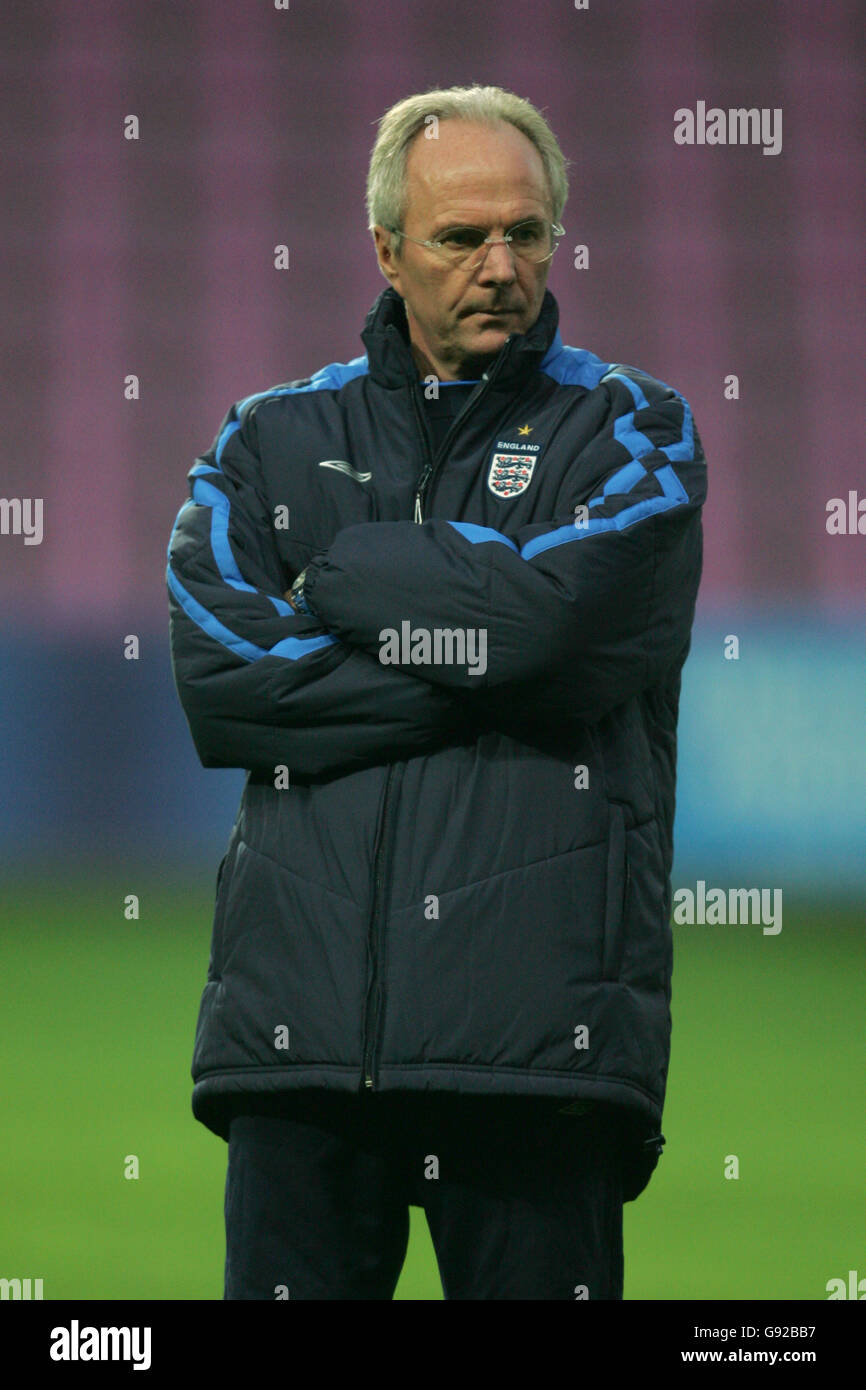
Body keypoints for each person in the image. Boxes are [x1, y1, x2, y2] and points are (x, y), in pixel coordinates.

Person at [166, 83, 707, 1301]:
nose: (499, 265)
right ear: (387, 250)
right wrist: (501, 669)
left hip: (535, 1057)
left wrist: (345, 571)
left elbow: (565, 627)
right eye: (461, 236)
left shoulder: (633, 432)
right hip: (298, 1055)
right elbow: (226, 687)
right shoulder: (264, 439)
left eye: (525, 232)